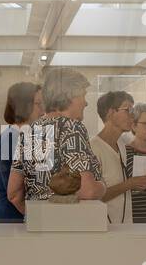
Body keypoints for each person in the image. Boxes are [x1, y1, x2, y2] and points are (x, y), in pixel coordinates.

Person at [8, 68, 104, 212]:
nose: (86, 103)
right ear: (69, 95)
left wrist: (36, 217)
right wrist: (102, 186)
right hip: (71, 226)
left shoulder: (30, 130)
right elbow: (87, 191)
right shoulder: (72, 128)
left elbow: (14, 194)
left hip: (38, 226)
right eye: (83, 96)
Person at [92, 91, 146, 225]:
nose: (132, 116)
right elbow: (94, 197)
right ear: (110, 113)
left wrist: (140, 182)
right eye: (128, 110)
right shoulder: (93, 148)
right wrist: (130, 184)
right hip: (103, 228)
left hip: (125, 226)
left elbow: (121, 186)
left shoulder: (121, 145)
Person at [0, 82, 42, 223]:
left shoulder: (22, 136)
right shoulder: (12, 138)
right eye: (38, 104)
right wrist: (36, 218)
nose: (43, 110)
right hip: (12, 219)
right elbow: (14, 194)